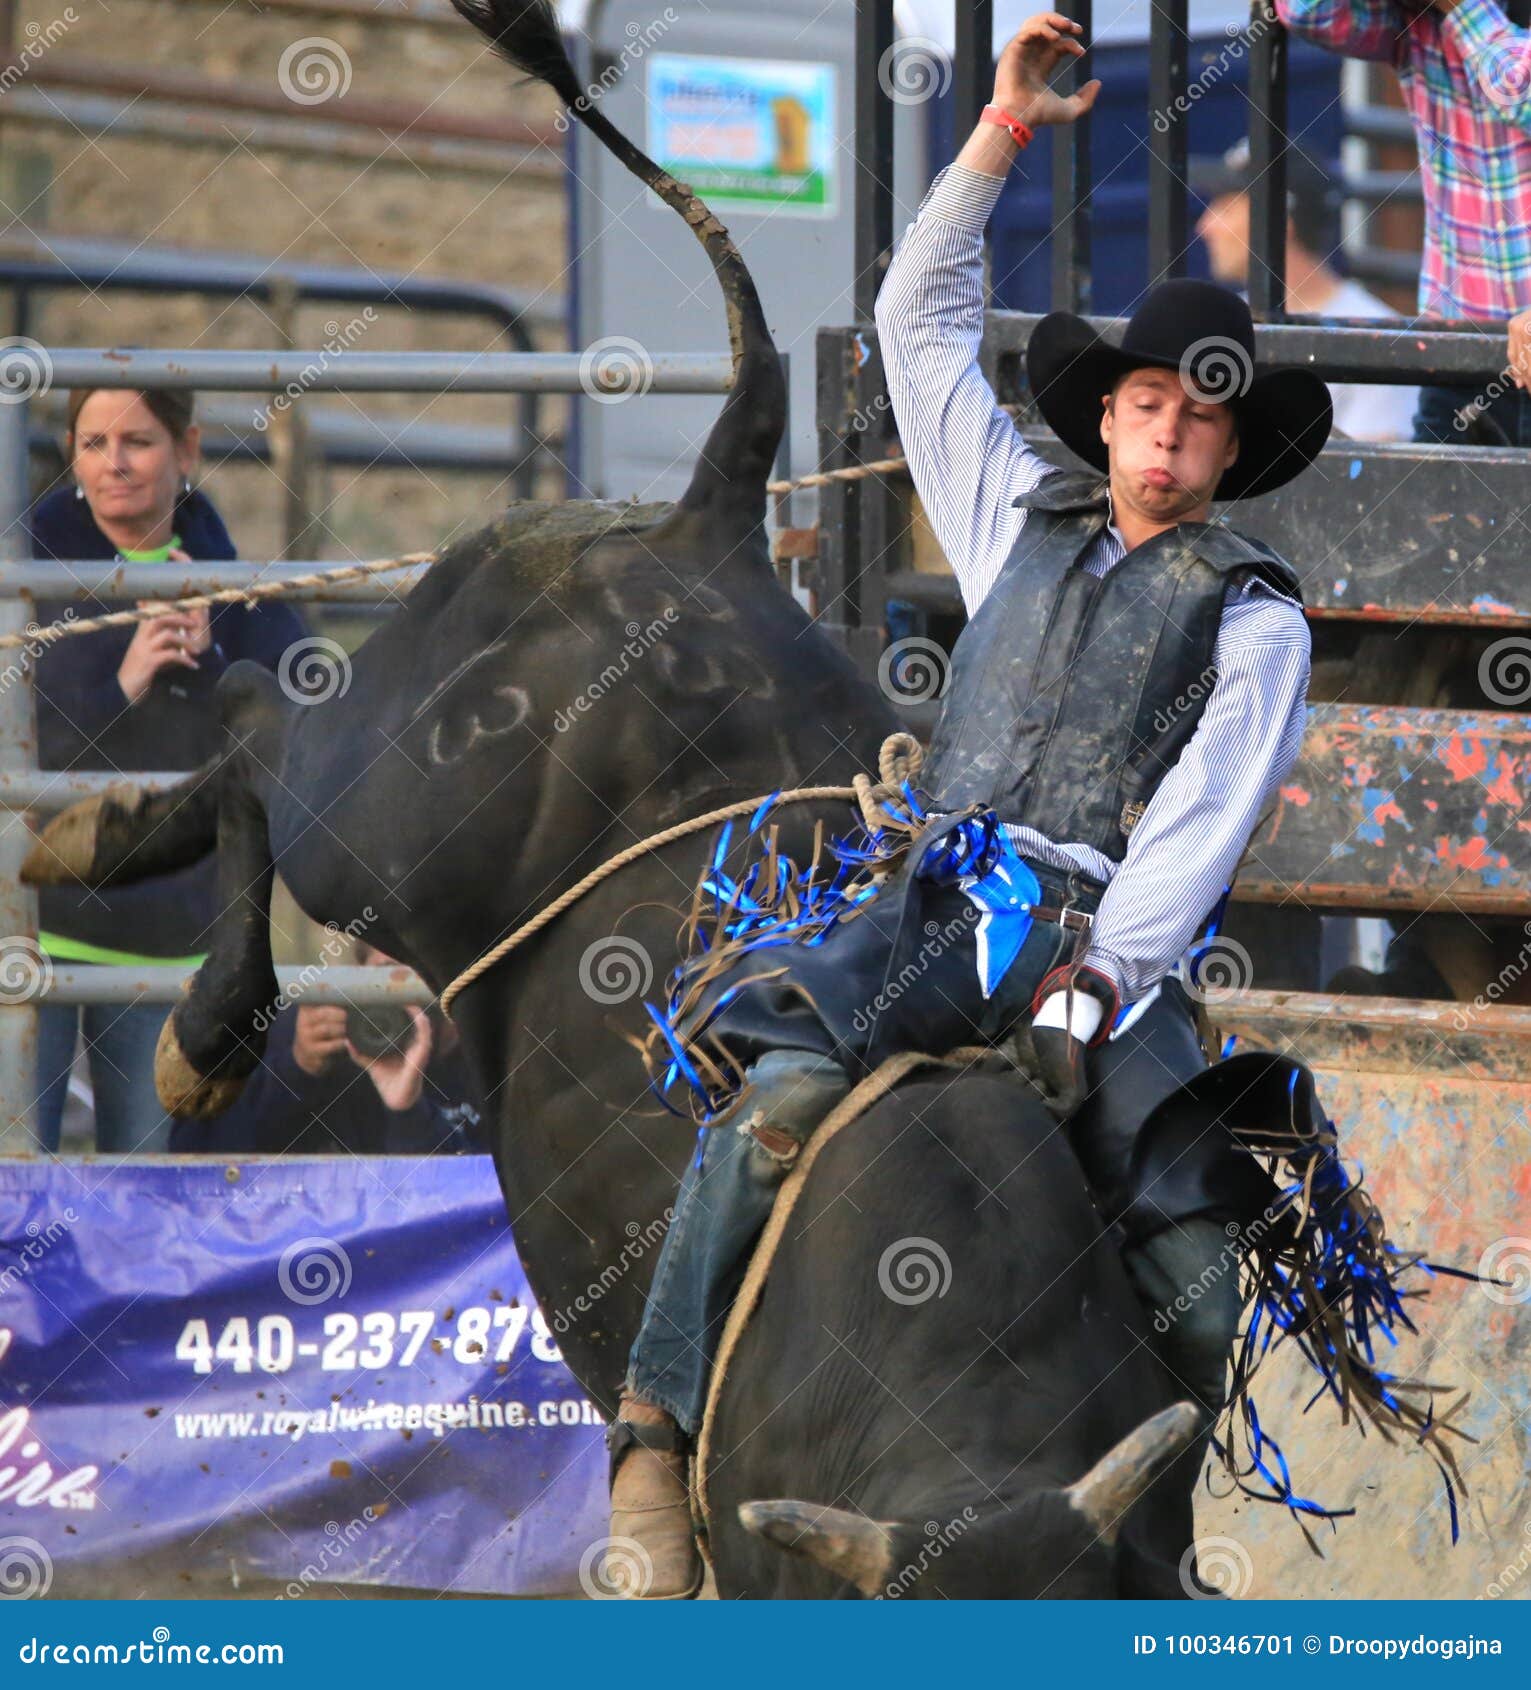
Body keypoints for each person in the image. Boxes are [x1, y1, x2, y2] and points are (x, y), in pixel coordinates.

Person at [604, 14, 1332, 1598]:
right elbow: (910, 319)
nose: (1167, 430)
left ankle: (1153, 1544)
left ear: (1225, 448)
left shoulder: (1255, 615)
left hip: (1100, 943)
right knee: (769, 1109)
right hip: (931, 904)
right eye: (1147, 401)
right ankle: (653, 1440)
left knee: (1202, 1269)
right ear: (1111, 412)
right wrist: (997, 133)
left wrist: (1091, 984)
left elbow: (1192, 836)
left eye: (1199, 416)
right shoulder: (1012, 504)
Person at [27, 388, 307, 1155]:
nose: (113, 462)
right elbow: (21, 734)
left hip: (173, 936)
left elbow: (302, 703)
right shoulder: (26, 561)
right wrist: (122, 679)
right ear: (72, 456)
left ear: (186, 450)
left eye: (137, 441)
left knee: (144, 1203)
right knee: (18, 1189)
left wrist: (216, 651)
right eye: (92, 442)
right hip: (32, 929)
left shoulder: (226, 571)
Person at [1276, 0, 1531, 444]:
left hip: (1491, 343)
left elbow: (1520, 91)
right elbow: (1306, 11)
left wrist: (1462, 8)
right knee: (1437, 510)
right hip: (1462, 352)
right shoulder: (1421, 20)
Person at [1193, 139, 1419, 440]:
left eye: (1227, 207)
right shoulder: (1217, 321)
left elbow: (1369, 478)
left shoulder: (1381, 338)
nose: (1206, 225)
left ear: (1278, 221)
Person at [168, 943, 484, 1156]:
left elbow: (468, 1217)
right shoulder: (308, 1032)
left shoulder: (493, 1055)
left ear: (454, 976)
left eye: (417, 974)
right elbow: (199, 1161)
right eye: (388, 972)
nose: (402, 997)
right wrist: (299, 1069)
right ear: (360, 973)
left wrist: (409, 1110)